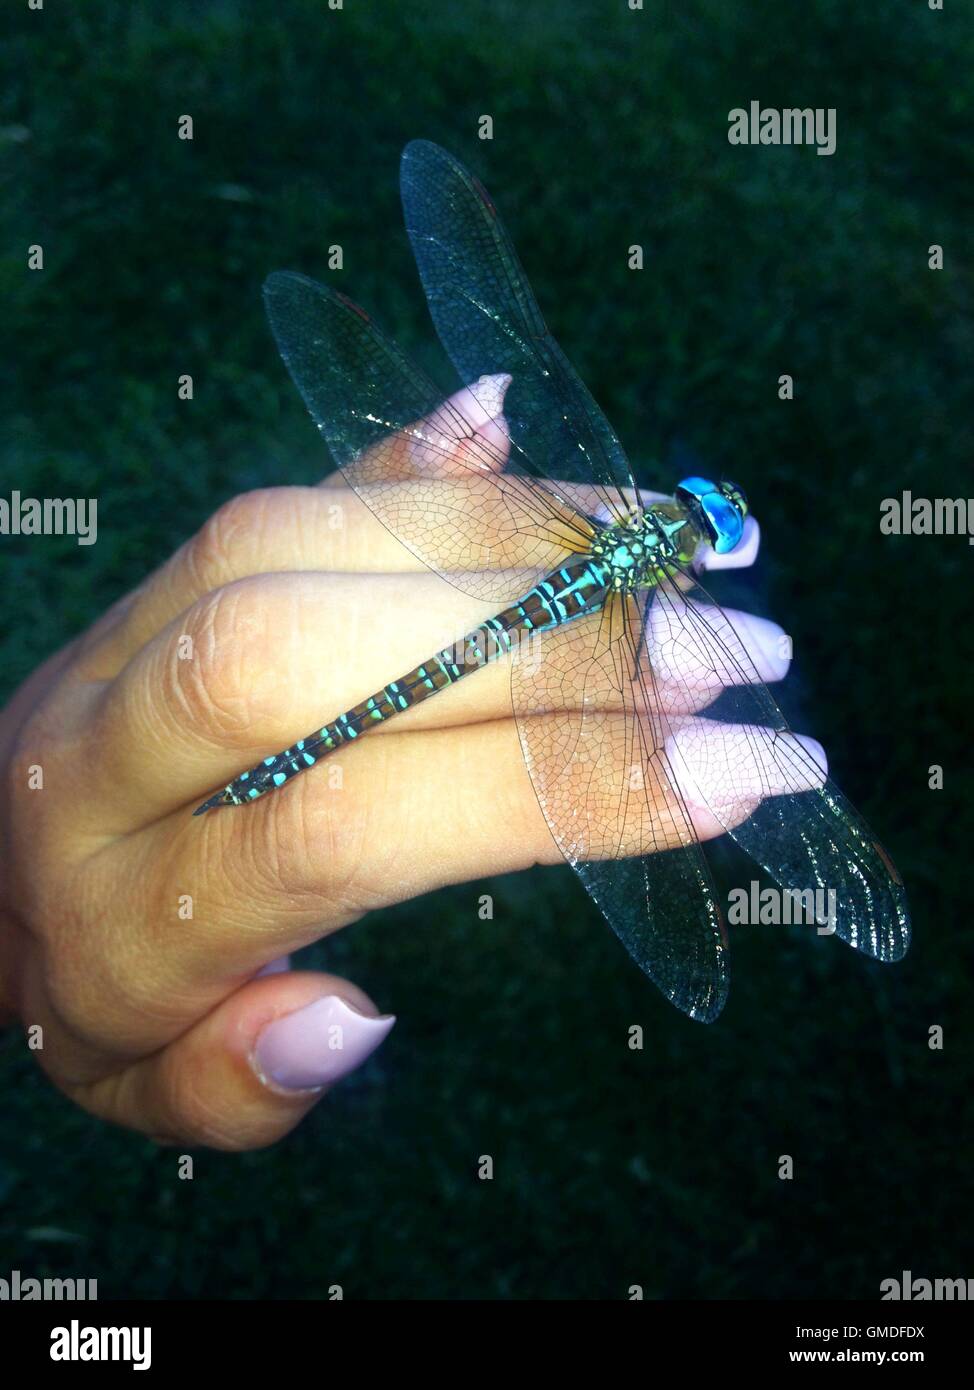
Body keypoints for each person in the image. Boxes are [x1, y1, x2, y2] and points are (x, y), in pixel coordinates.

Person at [0, 379, 796, 1151]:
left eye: (709, 522)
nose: (698, 514)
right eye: (703, 512)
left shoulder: (600, 525)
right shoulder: (654, 572)